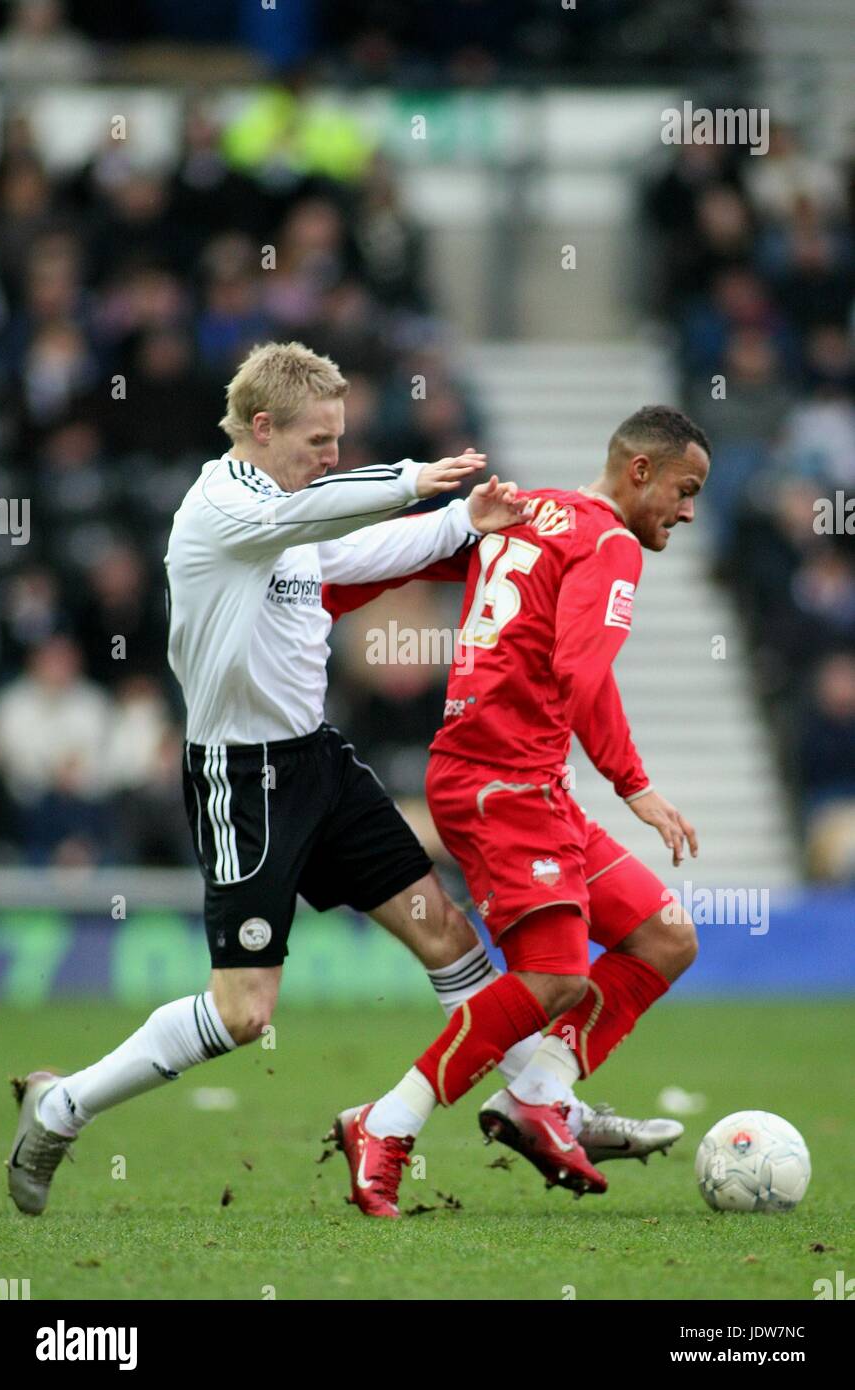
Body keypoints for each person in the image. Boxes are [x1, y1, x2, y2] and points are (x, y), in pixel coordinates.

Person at [6, 339, 539, 1215]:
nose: (332, 455)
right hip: (242, 779)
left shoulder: (290, 515)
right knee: (244, 1012)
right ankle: (61, 1106)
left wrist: (462, 523)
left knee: (444, 930)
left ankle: (541, 1101)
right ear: (262, 428)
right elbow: (328, 515)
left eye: (338, 439)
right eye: (319, 440)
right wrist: (416, 478)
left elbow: (348, 555)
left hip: (318, 763)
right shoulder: (223, 506)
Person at [327, 405, 711, 1216]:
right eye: (684, 489)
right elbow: (579, 671)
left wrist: (311, 593)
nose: (687, 510)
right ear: (637, 471)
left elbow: (414, 561)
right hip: (502, 782)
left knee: (665, 937)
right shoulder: (606, 544)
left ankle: (539, 1092)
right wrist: (634, 783)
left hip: (524, 781)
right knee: (552, 978)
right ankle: (386, 1123)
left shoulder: (524, 509)